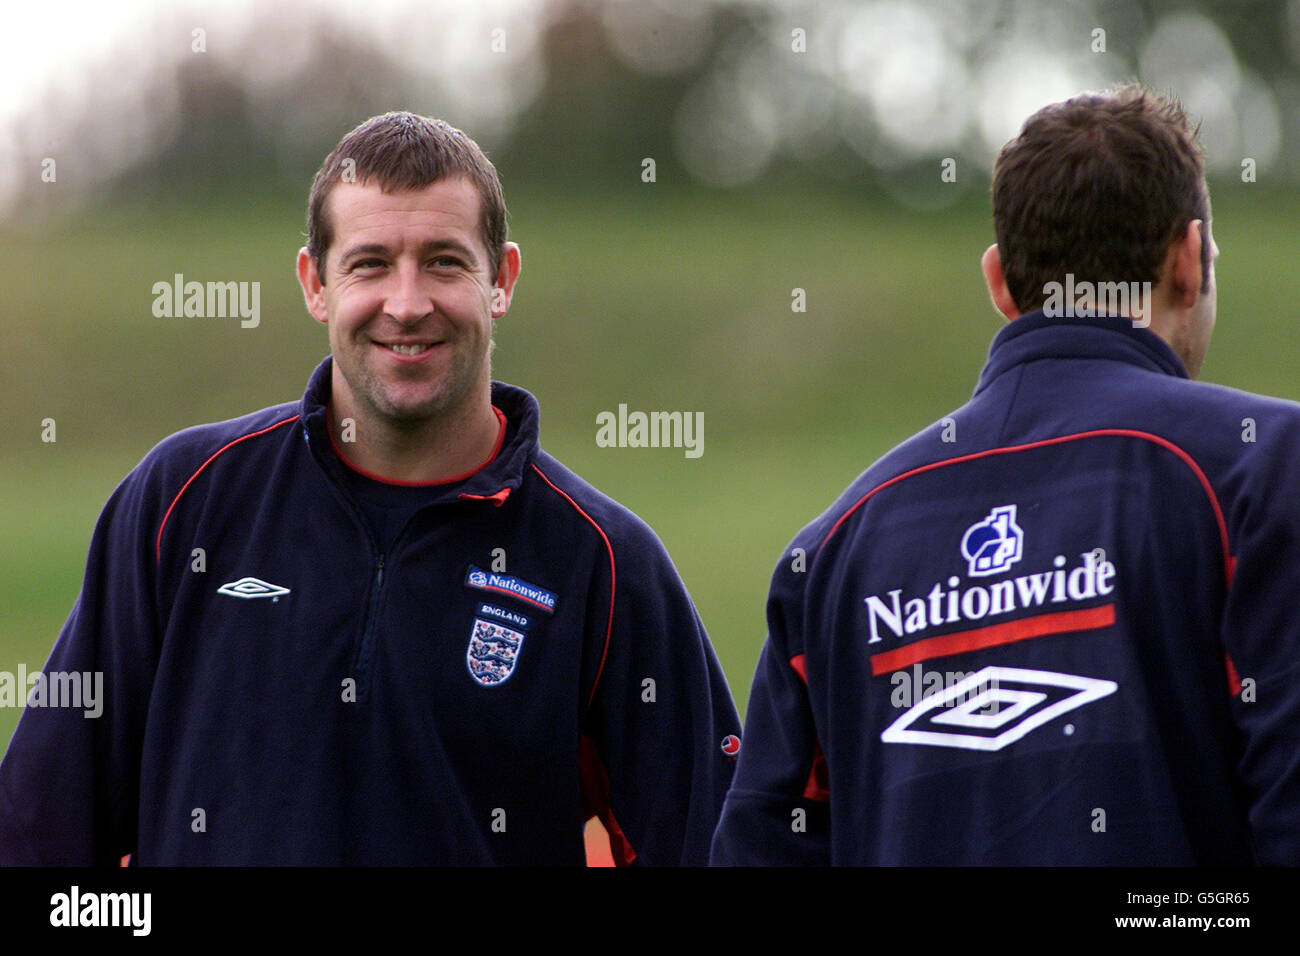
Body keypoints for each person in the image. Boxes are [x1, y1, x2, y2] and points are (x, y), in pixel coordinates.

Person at [0, 112, 740, 865]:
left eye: (445, 262)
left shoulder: (603, 563)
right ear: (316, 284)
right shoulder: (183, 502)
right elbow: (41, 828)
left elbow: (713, 843)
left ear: (502, 281)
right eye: (370, 263)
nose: (408, 303)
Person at [711, 84, 1300, 865]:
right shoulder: (1266, 466)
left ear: (999, 282)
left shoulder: (834, 549)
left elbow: (763, 846)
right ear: (1187, 262)